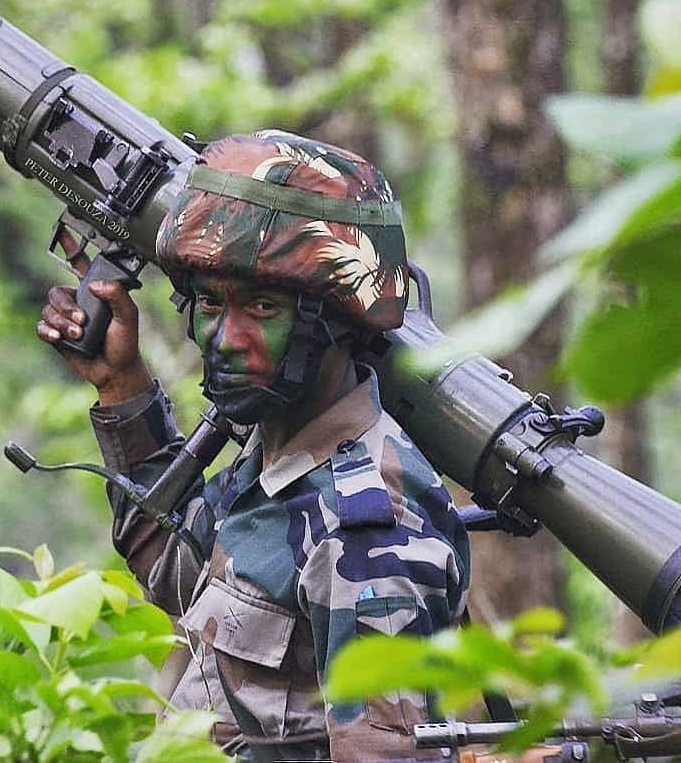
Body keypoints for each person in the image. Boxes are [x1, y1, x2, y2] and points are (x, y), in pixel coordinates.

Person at [38, 130, 470, 762]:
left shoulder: (367, 533)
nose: (225, 337)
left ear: (335, 324)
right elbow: (172, 574)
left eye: (262, 306)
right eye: (210, 304)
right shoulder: (280, 458)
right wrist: (119, 386)